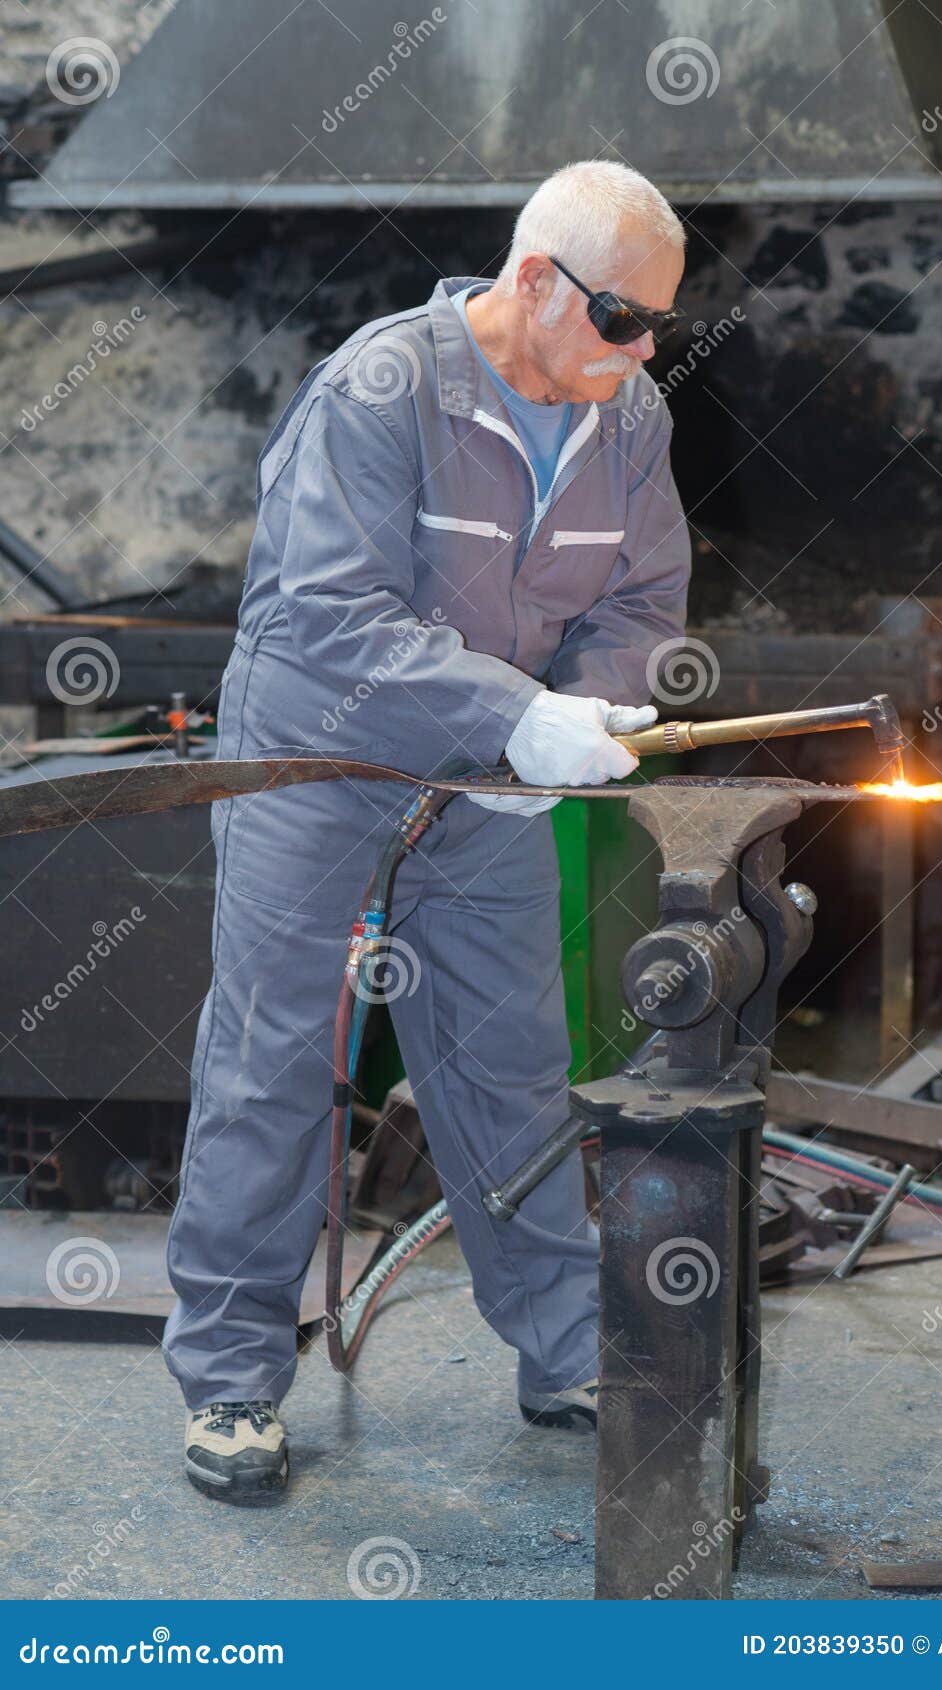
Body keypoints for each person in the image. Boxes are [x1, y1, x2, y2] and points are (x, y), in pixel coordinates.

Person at [162, 159, 691, 1503]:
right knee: (274, 1050)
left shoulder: (626, 420)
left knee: (513, 1055)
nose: (641, 354)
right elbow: (327, 615)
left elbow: (640, 601)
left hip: (483, 780)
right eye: (623, 322)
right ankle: (229, 1379)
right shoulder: (382, 388)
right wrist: (516, 711)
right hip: (315, 755)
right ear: (534, 281)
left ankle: (567, 1347)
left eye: (658, 331)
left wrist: (586, 712)